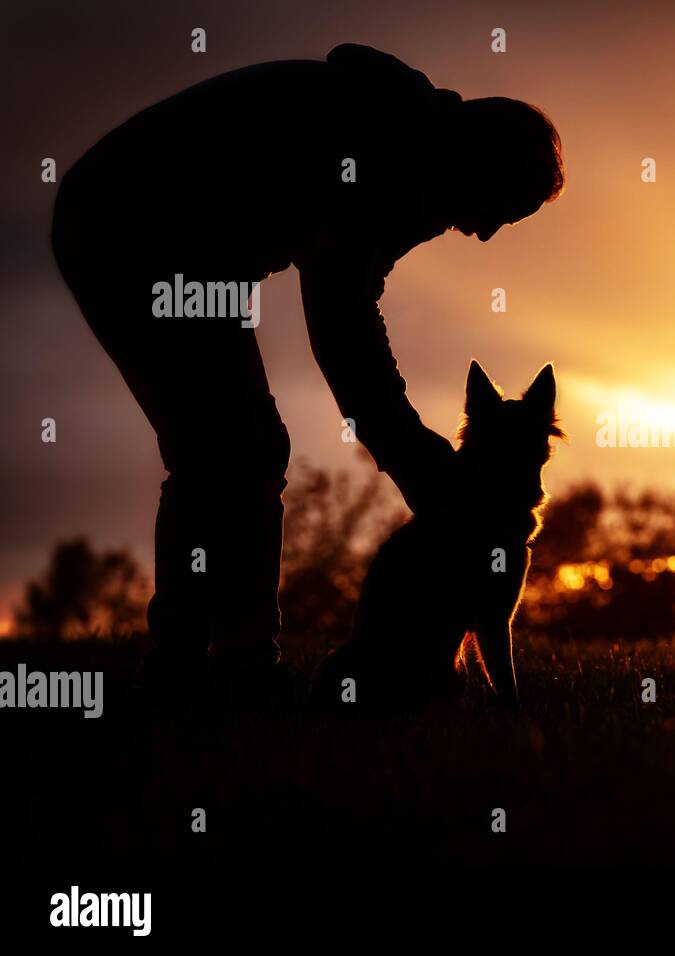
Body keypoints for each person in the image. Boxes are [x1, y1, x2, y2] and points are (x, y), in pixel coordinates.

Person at [49, 44, 564, 707]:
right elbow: (343, 322)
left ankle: (220, 667)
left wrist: (412, 455)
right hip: (126, 226)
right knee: (227, 447)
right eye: (502, 208)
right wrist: (416, 461)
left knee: (235, 448)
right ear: (483, 163)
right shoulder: (398, 156)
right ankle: (208, 672)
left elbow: (348, 309)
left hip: (167, 239)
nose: (488, 233)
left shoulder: (412, 146)